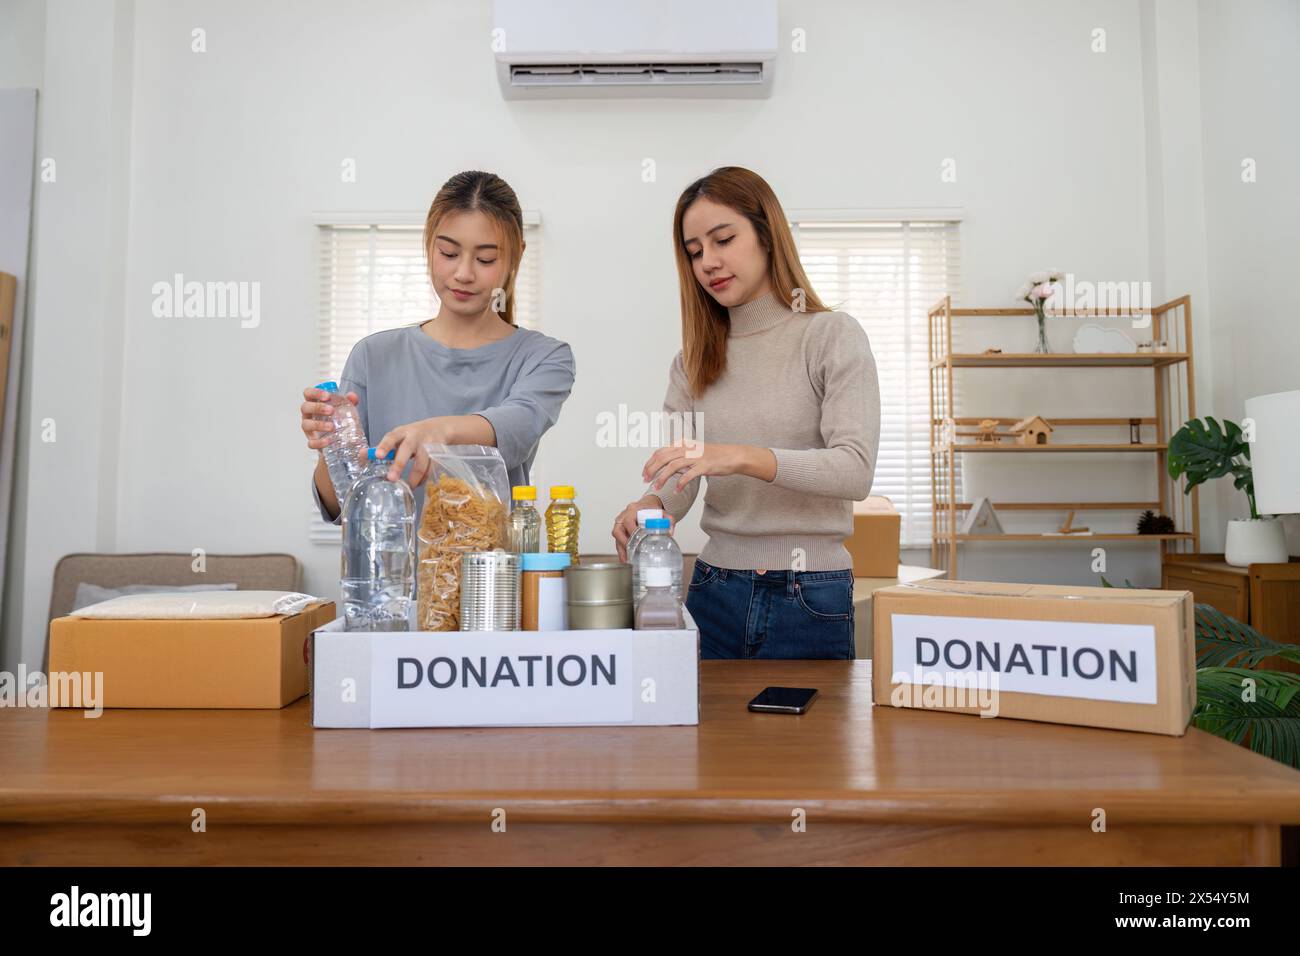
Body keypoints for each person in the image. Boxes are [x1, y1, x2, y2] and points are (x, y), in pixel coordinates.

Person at [613, 166, 880, 660]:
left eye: (723, 240)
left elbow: (854, 470)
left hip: (809, 593)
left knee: (805, 740)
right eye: (694, 252)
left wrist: (738, 456)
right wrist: (652, 506)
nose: (709, 262)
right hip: (714, 589)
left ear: (766, 234)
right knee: (706, 738)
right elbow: (683, 474)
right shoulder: (692, 362)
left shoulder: (829, 336)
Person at [301, 170, 575, 523]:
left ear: (515, 257)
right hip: (390, 577)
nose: (464, 273)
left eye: (486, 259)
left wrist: (434, 432)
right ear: (429, 245)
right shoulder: (373, 356)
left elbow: (516, 427)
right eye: (448, 252)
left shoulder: (544, 358)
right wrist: (332, 442)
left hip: (491, 577)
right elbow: (341, 505)